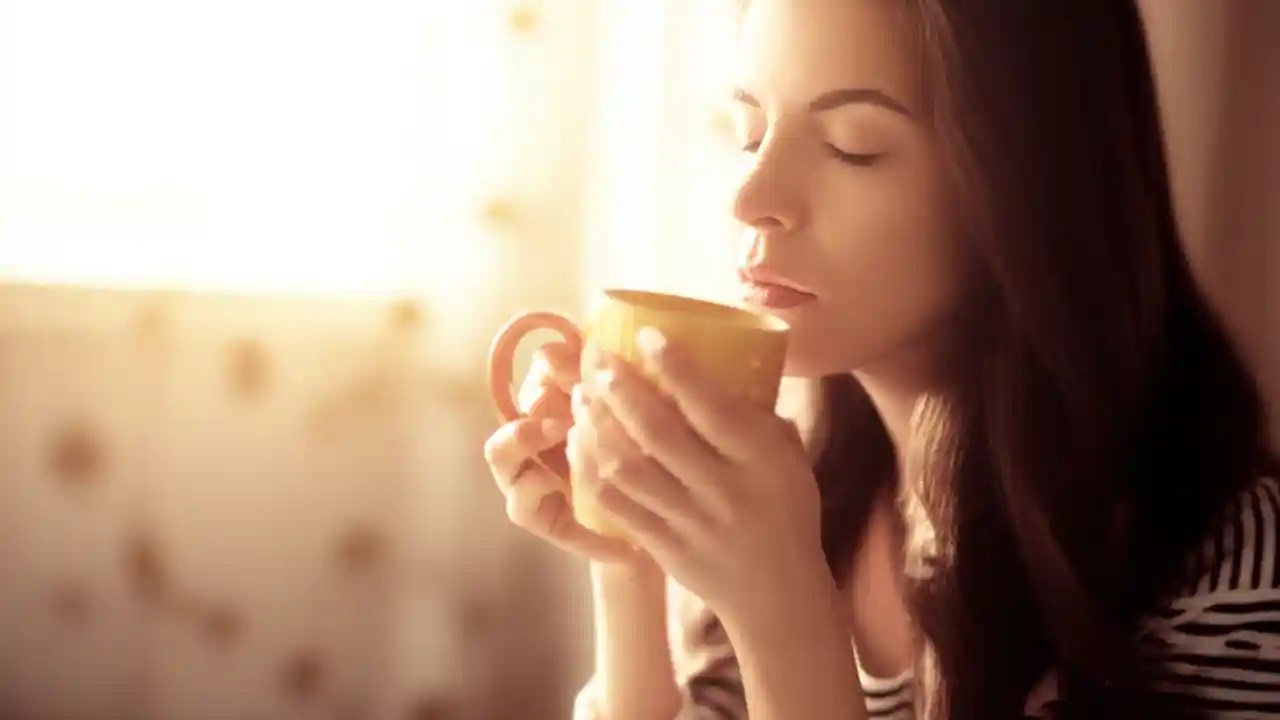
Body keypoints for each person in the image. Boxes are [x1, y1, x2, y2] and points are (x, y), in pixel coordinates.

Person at [483, 1, 1280, 717]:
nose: (749, 196)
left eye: (849, 145)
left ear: (1024, 186)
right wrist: (628, 564)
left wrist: (789, 622)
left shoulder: (1233, 572)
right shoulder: (812, 509)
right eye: (750, 131)